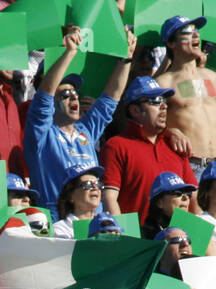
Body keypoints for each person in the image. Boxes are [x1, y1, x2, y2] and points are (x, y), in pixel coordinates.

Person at [25, 27, 135, 209]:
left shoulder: (86, 131)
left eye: (76, 93)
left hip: (92, 220)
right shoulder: (41, 135)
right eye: (66, 94)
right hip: (58, 221)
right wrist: (70, 52)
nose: (74, 97)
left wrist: (126, 58)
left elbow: (110, 99)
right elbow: (44, 96)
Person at [100, 76, 192, 224]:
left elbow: (192, 200)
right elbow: (109, 198)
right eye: (155, 101)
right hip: (135, 236)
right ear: (135, 110)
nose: (164, 106)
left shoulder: (175, 145)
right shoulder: (116, 146)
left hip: (175, 236)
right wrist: (123, 235)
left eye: (164, 100)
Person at [154, 16, 216, 175]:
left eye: (196, 30)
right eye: (187, 32)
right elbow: (147, 125)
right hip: (190, 165)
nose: (196, 35)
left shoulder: (210, 77)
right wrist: (169, 132)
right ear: (171, 43)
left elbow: (213, 122)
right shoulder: (164, 83)